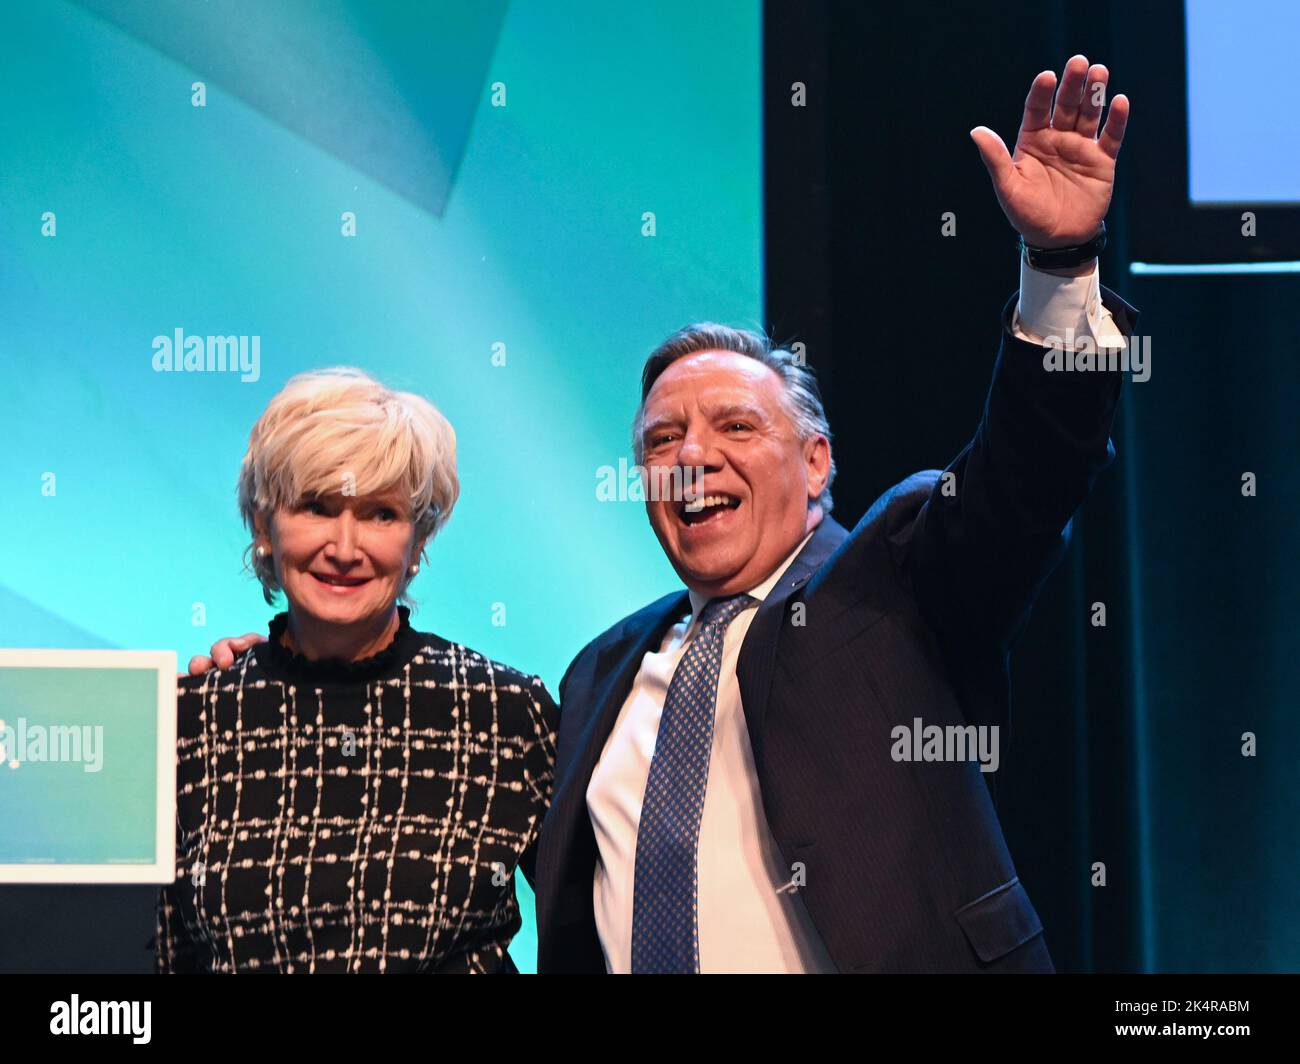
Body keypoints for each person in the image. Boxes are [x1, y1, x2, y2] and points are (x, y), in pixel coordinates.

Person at [202, 54, 1134, 973]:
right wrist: (266, 678)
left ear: (817, 462)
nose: (692, 458)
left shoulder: (896, 582)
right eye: (661, 441)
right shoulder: (595, 677)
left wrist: (1058, 268)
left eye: (734, 425)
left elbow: (1028, 475)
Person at [158, 367, 557, 973]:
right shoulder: (191, 717)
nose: (345, 549)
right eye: (316, 508)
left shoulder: (504, 713)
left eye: (381, 515)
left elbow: (599, 926)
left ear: (419, 539)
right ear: (265, 526)